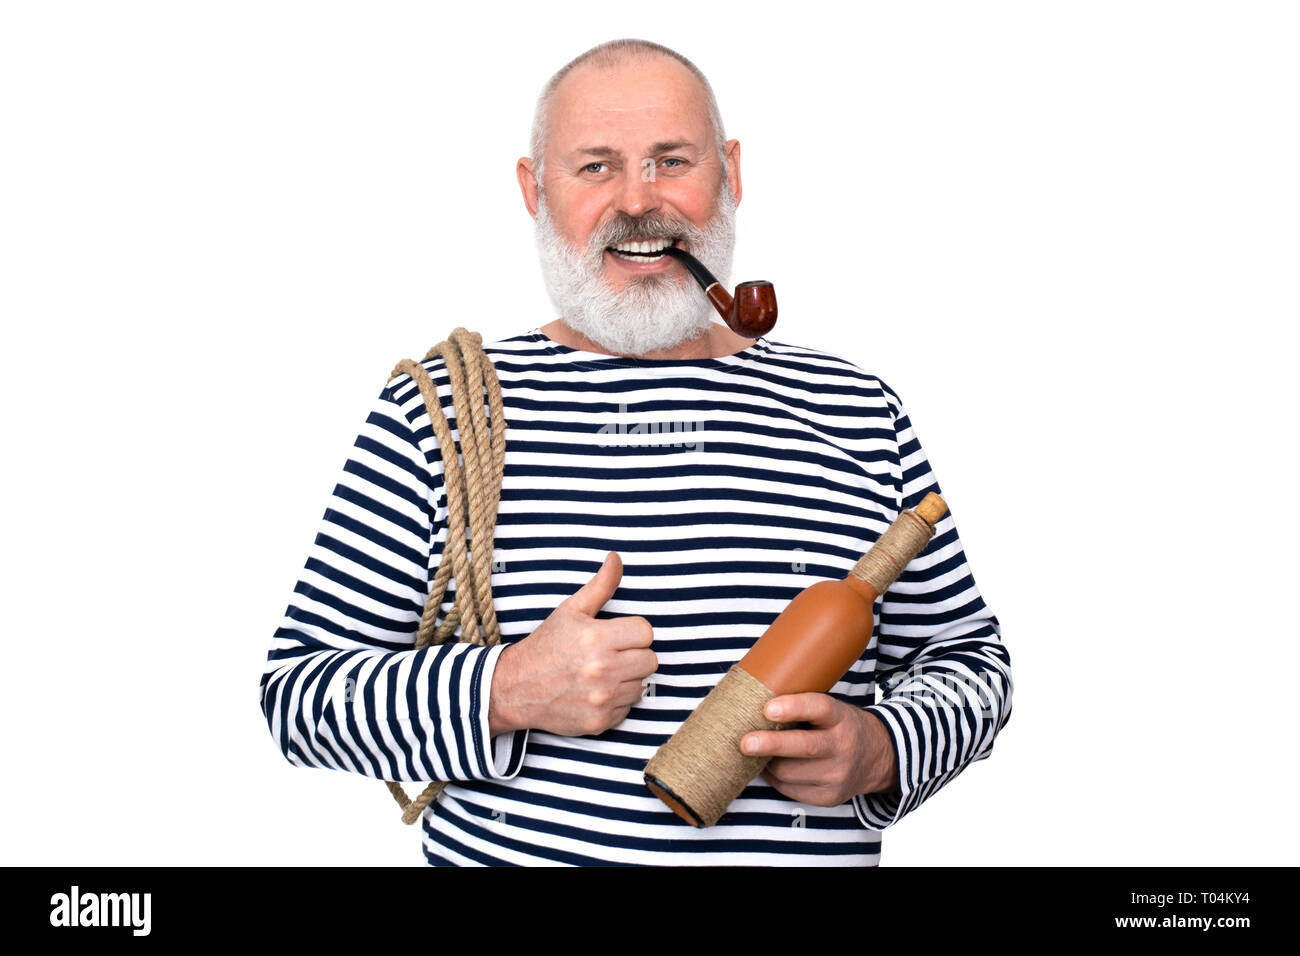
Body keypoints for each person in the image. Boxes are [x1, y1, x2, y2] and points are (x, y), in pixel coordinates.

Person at [258, 38, 1012, 866]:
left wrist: (883, 749)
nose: (636, 201)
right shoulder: (441, 410)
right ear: (532, 189)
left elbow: (970, 661)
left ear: (728, 171)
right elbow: (299, 697)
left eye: (670, 160)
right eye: (595, 168)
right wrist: (504, 690)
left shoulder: (856, 408)